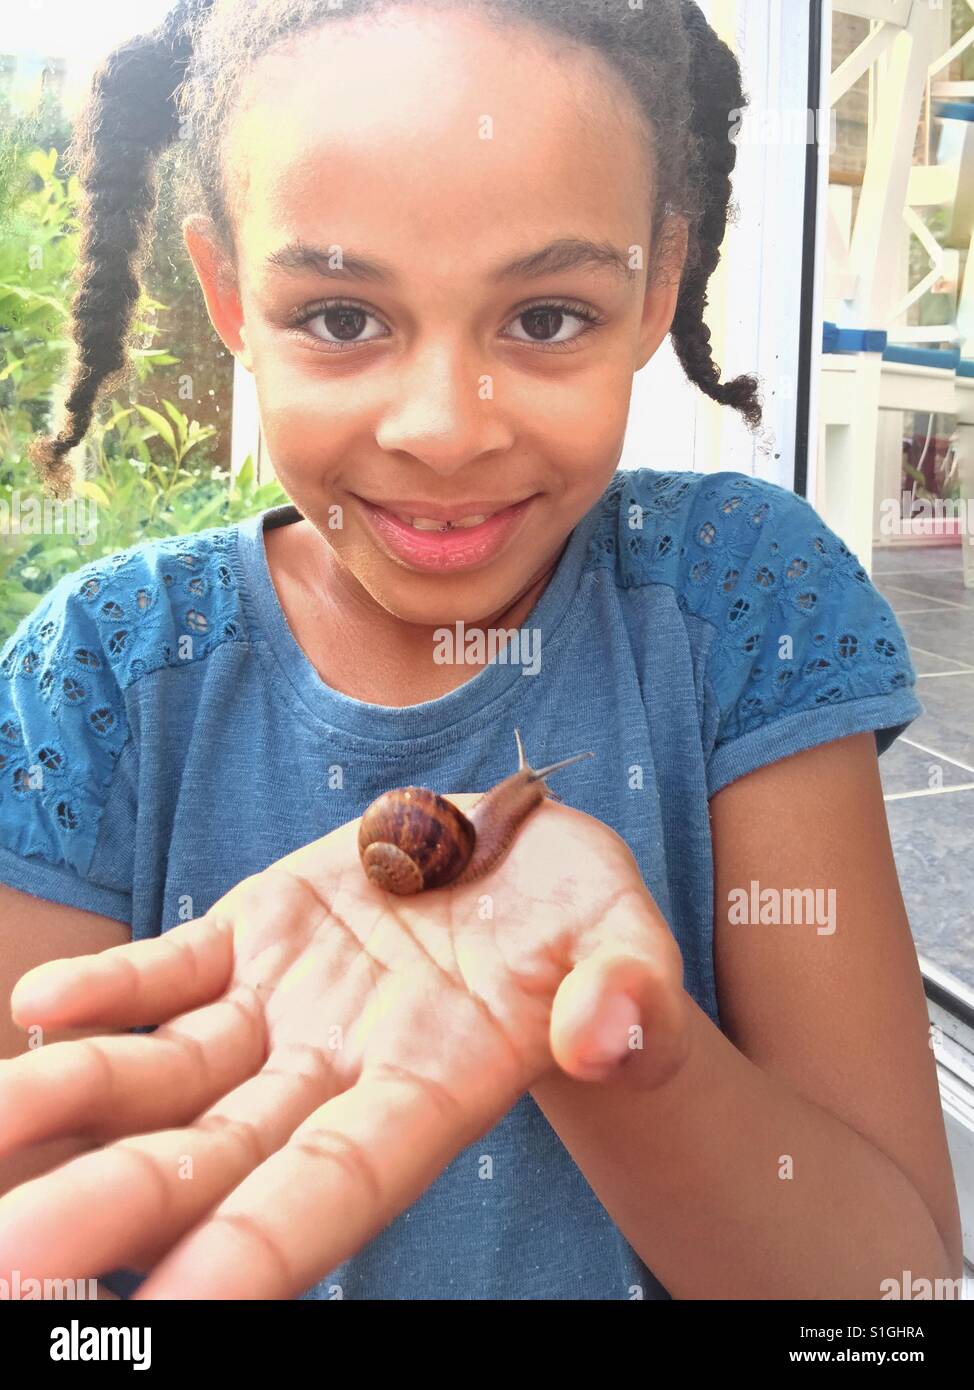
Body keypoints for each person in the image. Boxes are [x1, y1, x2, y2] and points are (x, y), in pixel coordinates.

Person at [0, 0, 961, 1300]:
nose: (446, 429)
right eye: (342, 318)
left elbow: (891, 1296)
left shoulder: (737, 604)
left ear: (655, 289)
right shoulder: (108, 673)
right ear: (229, 297)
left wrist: (621, 1046)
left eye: (548, 317)